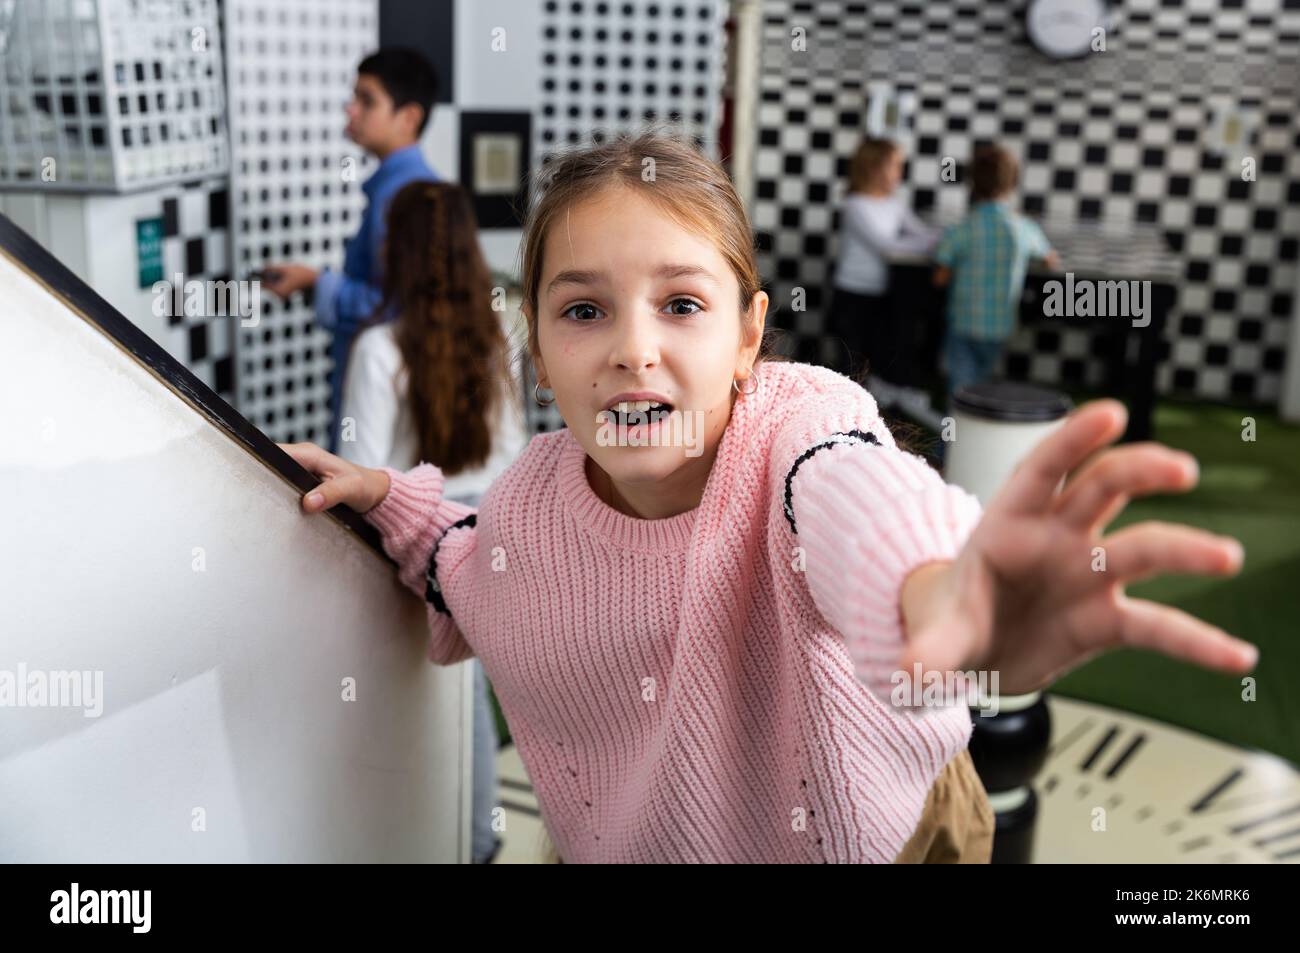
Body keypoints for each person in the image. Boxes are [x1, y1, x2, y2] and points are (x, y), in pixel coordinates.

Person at [279, 131, 1256, 863]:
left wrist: (946, 591)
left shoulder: (795, 430)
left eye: (682, 303)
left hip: (888, 834)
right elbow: (468, 564)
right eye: (583, 309)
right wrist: (393, 505)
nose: (633, 346)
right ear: (536, 344)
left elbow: (858, 500)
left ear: (748, 337)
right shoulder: (532, 498)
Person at [336, 181, 530, 864]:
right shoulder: (502, 329)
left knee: (438, 704)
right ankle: (476, 838)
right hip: (498, 529)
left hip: (421, 536)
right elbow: (517, 447)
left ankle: (461, 840)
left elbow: (360, 477)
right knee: (467, 703)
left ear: (402, 252)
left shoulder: (380, 350)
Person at [262, 48, 439, 451]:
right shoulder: (403, 190)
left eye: (367, 100)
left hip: (382, 393)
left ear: (408, 117)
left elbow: (395, 304)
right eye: (354, 97)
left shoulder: (402, 197)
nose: (351, 109)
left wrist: (316, 281)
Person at [933, 143, 1061, 404]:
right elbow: (1051, 260)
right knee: (982, 388)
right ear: (1012, 183)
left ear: (972, 183)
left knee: (959, 393)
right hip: (1000, 326)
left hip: (965, 323)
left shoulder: (963, 228)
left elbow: (940, 277)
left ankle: (952, 442)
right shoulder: (1023, 228)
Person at [826, 137, 940, 396]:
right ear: (874, 168)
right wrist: (932, 241)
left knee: (873, 353)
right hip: (852, 294)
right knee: (851, 359)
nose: (900, 173)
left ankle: (874, 403)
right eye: (895, 166)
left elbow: (919, 233)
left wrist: (939, 238)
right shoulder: (855, 206)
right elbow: (886, 246)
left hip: (879, 293)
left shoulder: (894, 205)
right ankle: (846, 410)